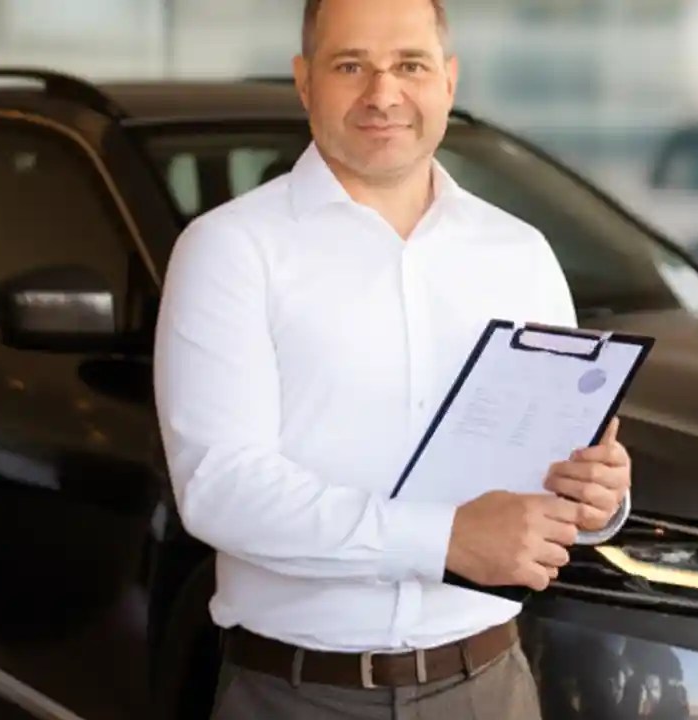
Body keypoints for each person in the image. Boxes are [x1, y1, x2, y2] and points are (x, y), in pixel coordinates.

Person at [151, 0, 633, 717]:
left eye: (409, 64)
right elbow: (222, 487)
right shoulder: (230, 251)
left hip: (489, 685)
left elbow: (555, 458)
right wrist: (443, 540)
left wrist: (600, 498)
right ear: (305, 80)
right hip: (298, 694)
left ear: (448, 80)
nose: (383, 94)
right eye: (352, 66)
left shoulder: (519, 254)